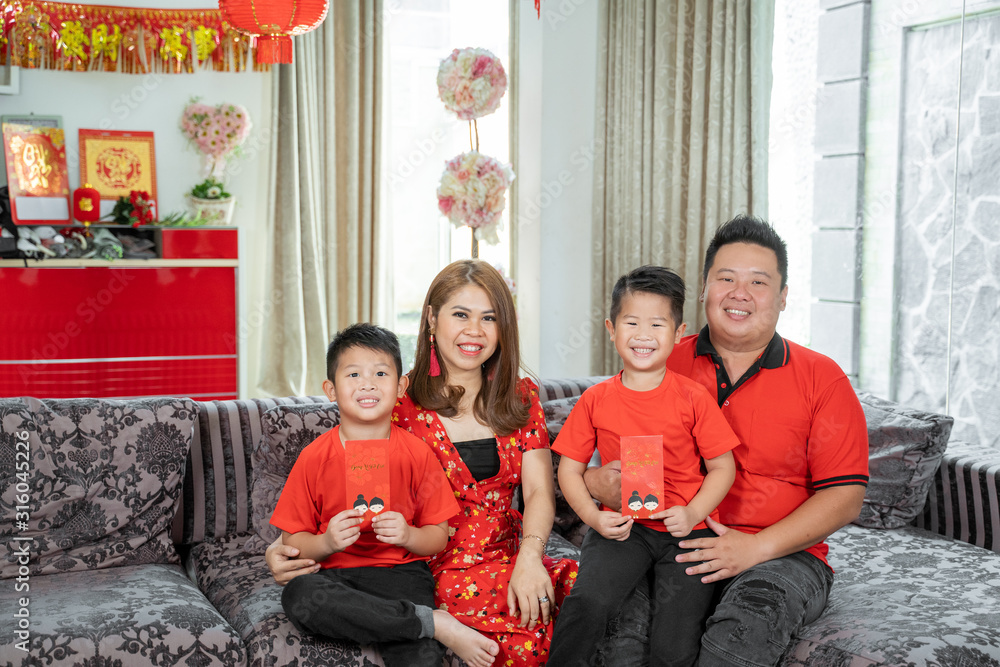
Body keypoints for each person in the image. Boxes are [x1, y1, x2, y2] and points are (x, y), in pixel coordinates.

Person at [585, 216, 870, 666]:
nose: (740, 293)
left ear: (782, 297)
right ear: (704, 289)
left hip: (780, 553)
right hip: (664, 536)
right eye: (726, 278)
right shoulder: (656, 362)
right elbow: (612, 462)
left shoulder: (823, 378)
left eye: (758, 282)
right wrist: (600, 482)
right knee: (618, 634)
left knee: (739, 638)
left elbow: (846, 496)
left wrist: (754, 548)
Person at [268, 260, 577, 666]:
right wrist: (283, 546)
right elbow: (341, 474)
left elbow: (538, 490)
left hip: (505, 553)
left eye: (489, 318)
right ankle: (439, 623)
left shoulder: (521, 398)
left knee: (591, 592)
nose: (475, 331)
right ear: (431, 319)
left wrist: (531, 557)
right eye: (460, 315)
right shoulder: (394, 396)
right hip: (424, 564)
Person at [271, 323, 498, 667]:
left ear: (400, 385)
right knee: (299, 595)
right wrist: (328, 541)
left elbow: (437, 537)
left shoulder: (417, 453)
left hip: (401, 576)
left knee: (422, 659)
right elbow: (293, 541)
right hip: (334, 575)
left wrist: (408, 535)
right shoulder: (314, 457)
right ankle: (429, 622)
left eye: (380, 373)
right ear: (330, 390)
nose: (368, 383)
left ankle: (408, 622)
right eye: (353, 375)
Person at [548, 266, 739, 667]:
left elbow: (723, 467)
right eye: (631, 322)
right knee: (588, 604)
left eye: (657, 323)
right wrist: (593, 520)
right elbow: (569, 470)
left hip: (685, 532)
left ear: (678, 332)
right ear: (611, 328)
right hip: (621, 528)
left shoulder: (693, 397)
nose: (643, 334)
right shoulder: (596, 399)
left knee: (675, 640)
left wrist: (693, 513)